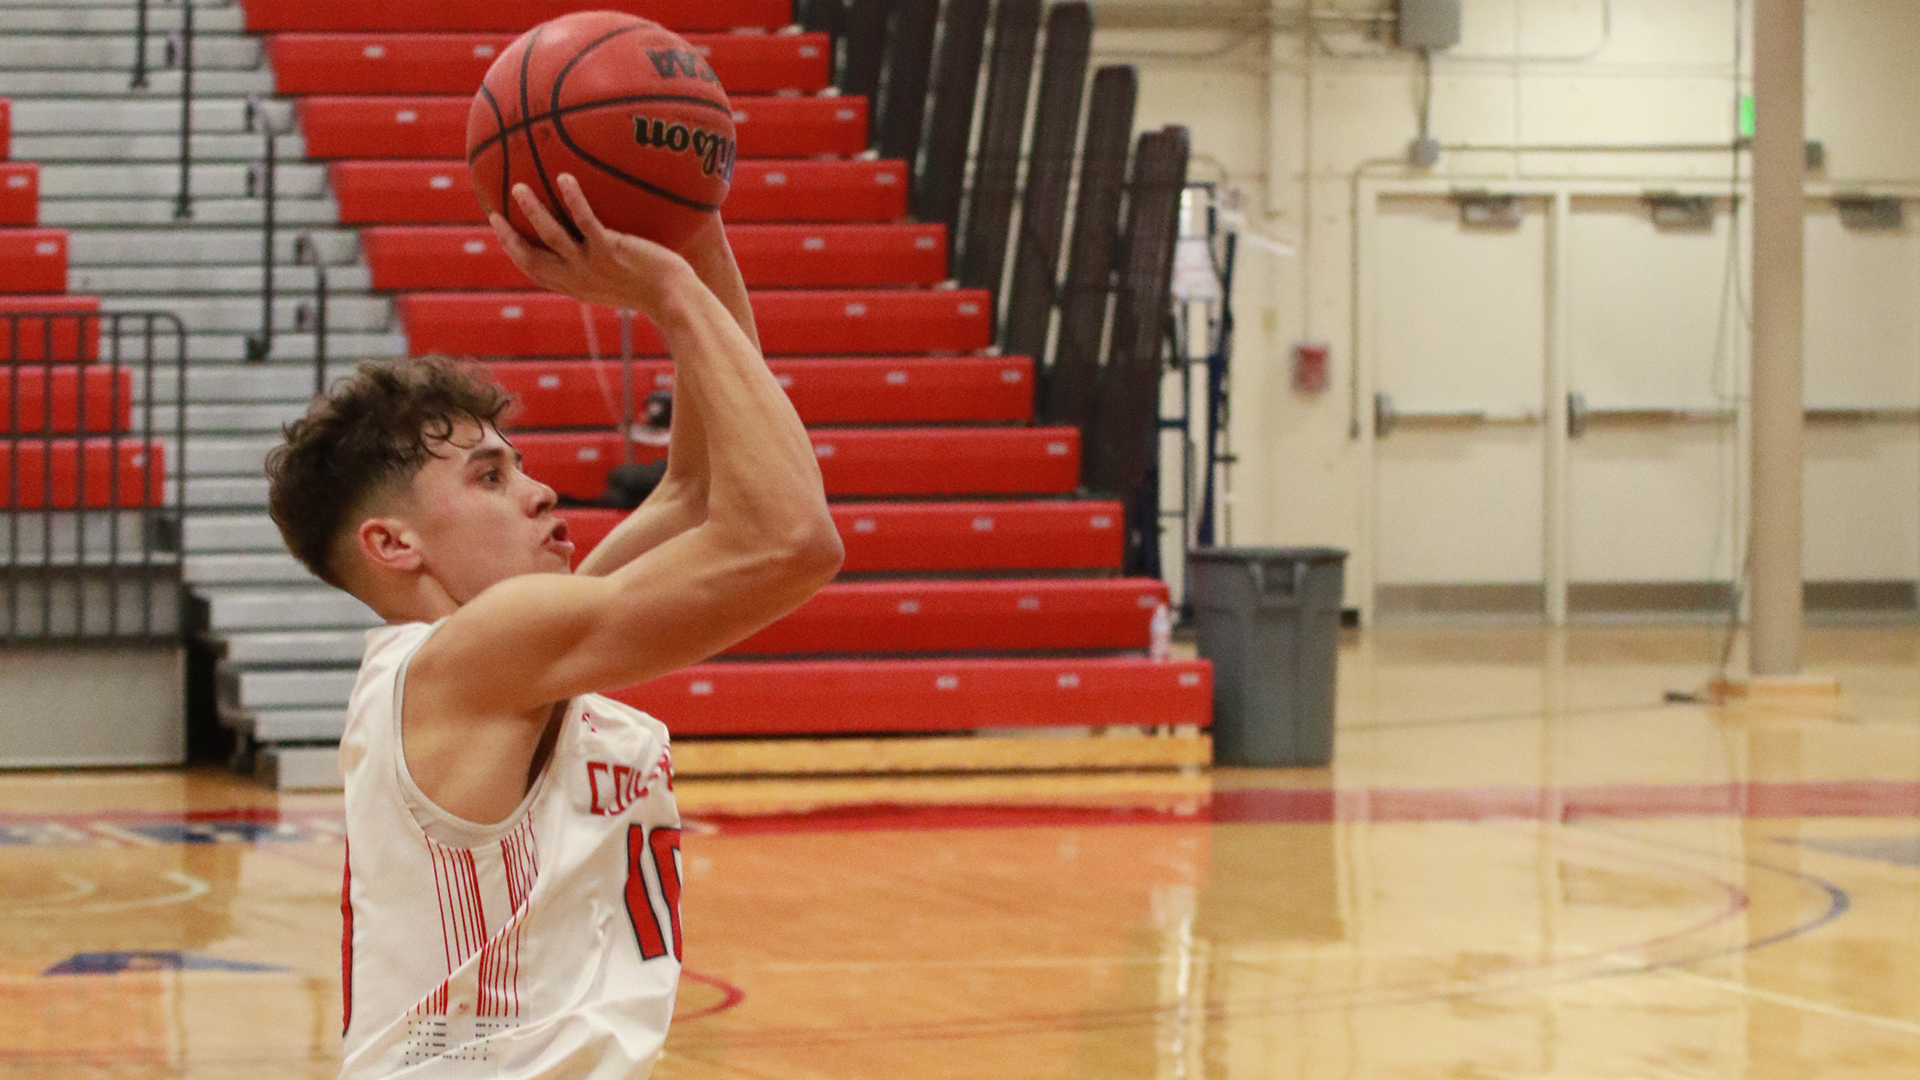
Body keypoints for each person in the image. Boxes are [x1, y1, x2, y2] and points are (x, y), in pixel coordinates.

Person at [265, 174, 842, 1078]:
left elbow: (696, 490)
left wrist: (693, 215)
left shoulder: (509, 656)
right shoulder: (476, 657)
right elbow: (795, 539)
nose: (539, 491)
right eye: (489, 478)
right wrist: (671, 291)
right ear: (392, 542)